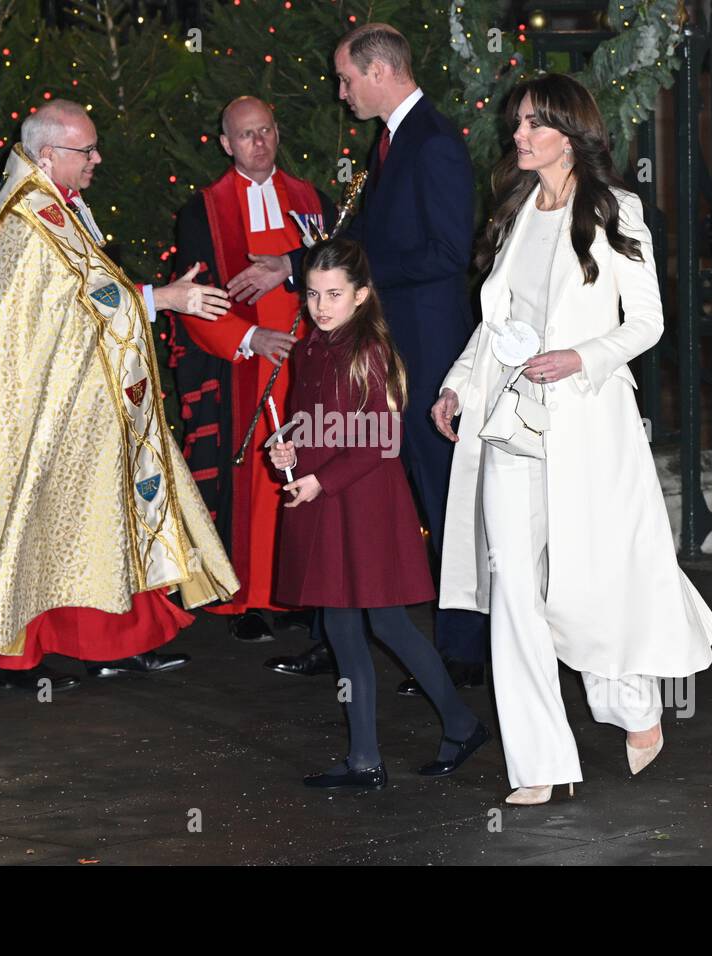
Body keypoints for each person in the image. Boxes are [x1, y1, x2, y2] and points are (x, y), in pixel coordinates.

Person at [0, 99, 240, 688]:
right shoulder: (29, 218)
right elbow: (75, 306)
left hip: (88, 397)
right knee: (32, 521)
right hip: (40, 407)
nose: (97, 159)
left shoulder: (58, 203)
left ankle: (115, 638)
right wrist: (163, 300)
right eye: (85, 150)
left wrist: (152, 298)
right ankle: (10, 655)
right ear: (47, 155)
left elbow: (87, 294)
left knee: (93, 523)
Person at [433, 74, 712, 805]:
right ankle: (539, 764)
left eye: (534, 124)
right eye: (518, 124)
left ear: (571, 132)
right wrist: (459, 385)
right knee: (517, 598)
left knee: (587, 579)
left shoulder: (615, 211)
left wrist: (580, 357)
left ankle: (633, 707)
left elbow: (647, 322)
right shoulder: (518, 210)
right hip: (507, 429)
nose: (519, 136)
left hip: (585, 425)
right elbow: (495, 326)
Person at [230, 23, 489, 691]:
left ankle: (464, 650)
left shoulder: (432, 142)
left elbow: (448, 253)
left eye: (346, 78)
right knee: (355, 484)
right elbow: (367, 233)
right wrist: (295, 264)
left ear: (379, 73)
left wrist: (361, 275)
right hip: (384, 350)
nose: (339, 92)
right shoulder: (393, 139)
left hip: (426, 354)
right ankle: (338, 633)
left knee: (440, 494)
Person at [268, 239, 485, 790]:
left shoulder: (367, 351)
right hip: (326, 499)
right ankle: (367, 757)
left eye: (334, 295)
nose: (320, 306)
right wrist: (287, 446)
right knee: (343, 627)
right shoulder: (309, 349)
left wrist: (321, 479)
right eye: (313, 294)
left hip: (363, 504)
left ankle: (459, 724)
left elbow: (382, 438)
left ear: (362, 296)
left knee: (389, 623)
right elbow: (305, 417)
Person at [168, 96, 334, 646]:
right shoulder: (202, 211)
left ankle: (301, 594)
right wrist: (249, 337)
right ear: (225, 144)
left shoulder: (313, 201)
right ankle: (249, 598)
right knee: (255, 485)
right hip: (244, 368)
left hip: (311, 364)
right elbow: (195, 298)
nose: (258, 143)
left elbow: (343, 268)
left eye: (265, 131)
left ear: (277, 133)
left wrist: (292, 279)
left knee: (309, 472)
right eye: (245, 135)